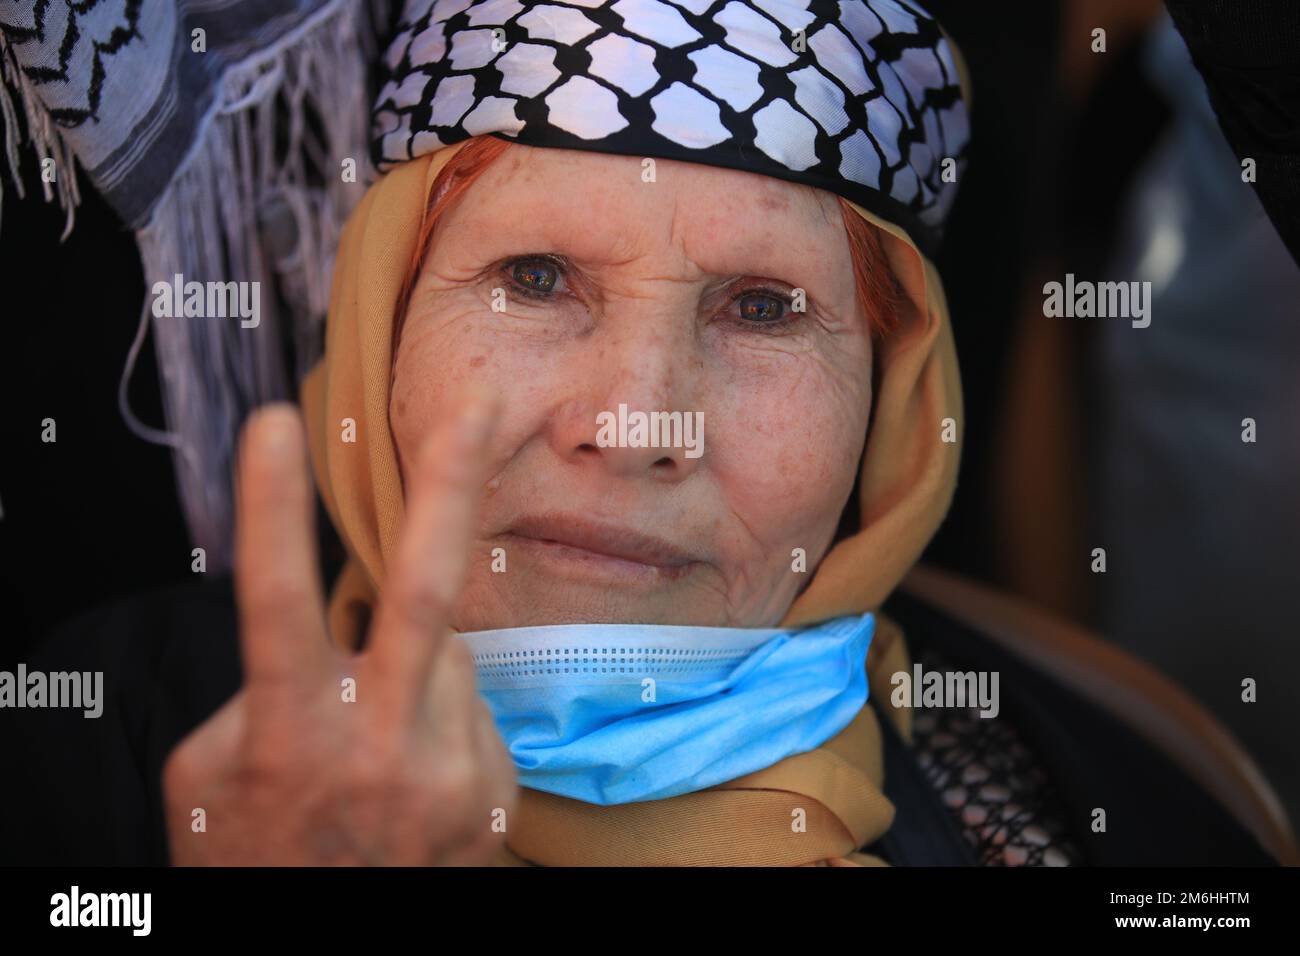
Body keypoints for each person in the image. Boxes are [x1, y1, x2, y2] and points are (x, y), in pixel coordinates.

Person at [1, 0, 1287, 867]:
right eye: (537, 277)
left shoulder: (1101, 812)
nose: (633, 421)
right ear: (382, 314)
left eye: (763, 307)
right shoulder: (91, 757)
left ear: (894, 400)